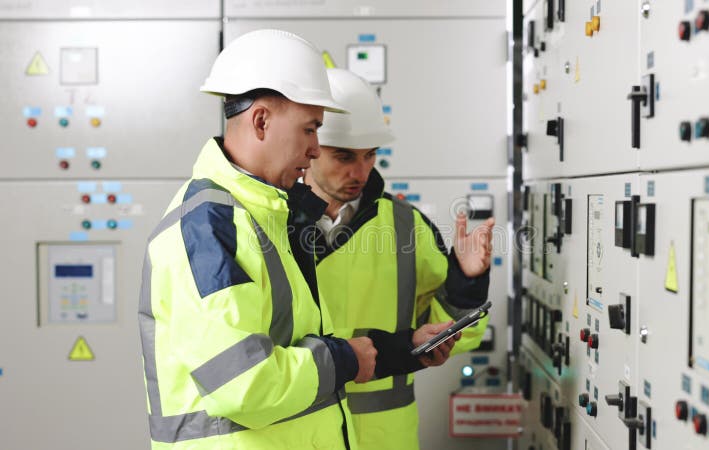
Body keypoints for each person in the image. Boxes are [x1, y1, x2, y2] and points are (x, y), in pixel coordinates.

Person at [138, 30, 377, 450]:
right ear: (261, 121)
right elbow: (242, 383)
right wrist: (344, 360)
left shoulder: (263, 215)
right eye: (309, 130)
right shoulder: (210, 225)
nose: (316, 149)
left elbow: (293, 342)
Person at [303, 68, 495, 450]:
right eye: (343, 156)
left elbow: (456, 335)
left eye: (370, 155)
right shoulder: (271, 220)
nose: (360, 172)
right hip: (298, 437)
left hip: (385, 438)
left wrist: (466, 281)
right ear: (309, 147)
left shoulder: (408, 227)